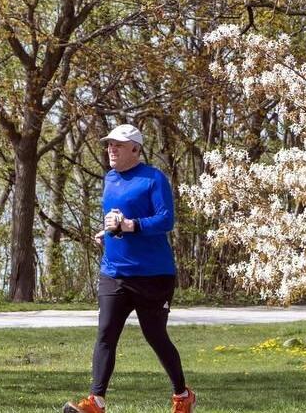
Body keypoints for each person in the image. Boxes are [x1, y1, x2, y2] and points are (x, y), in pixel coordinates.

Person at [64, 124, 196, 413]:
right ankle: (96, 402)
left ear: (135, 149)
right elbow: (116, 219)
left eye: (118, 145)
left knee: (156, 337)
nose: (111, 150)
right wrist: (107, 232)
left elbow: (165, 220)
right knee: (105, 334)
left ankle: (182, 395)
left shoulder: (153, 179)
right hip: (114, 272)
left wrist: (131, 225)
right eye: (109, 145)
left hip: (153, 276)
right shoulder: (110, 179)